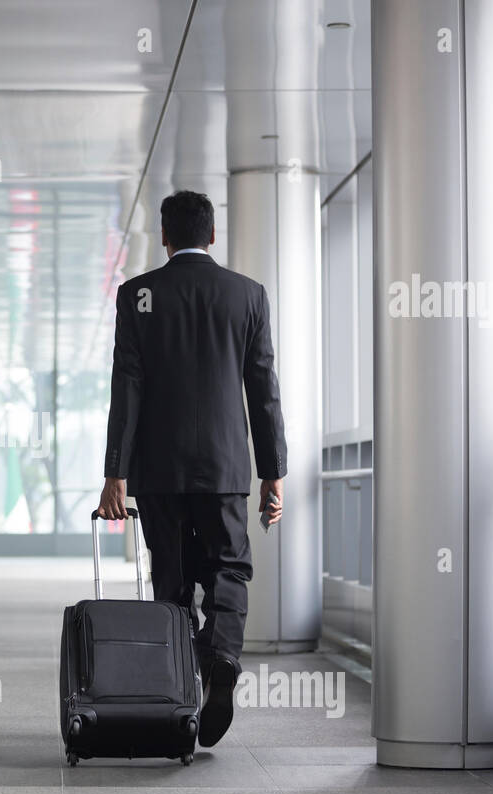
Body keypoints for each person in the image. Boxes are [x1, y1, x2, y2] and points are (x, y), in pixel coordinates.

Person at [97, 189, 287, 749]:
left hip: (159, 469)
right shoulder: (248, 296)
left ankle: (183, 688)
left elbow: (126, 388)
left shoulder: (138, 295)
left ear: (165, 236)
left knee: (172, 579)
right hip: (227, 466)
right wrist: (273, 471)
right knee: (229, 567)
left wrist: (116, 472)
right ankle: (222, 655)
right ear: (211, 235)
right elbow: (263, 390)